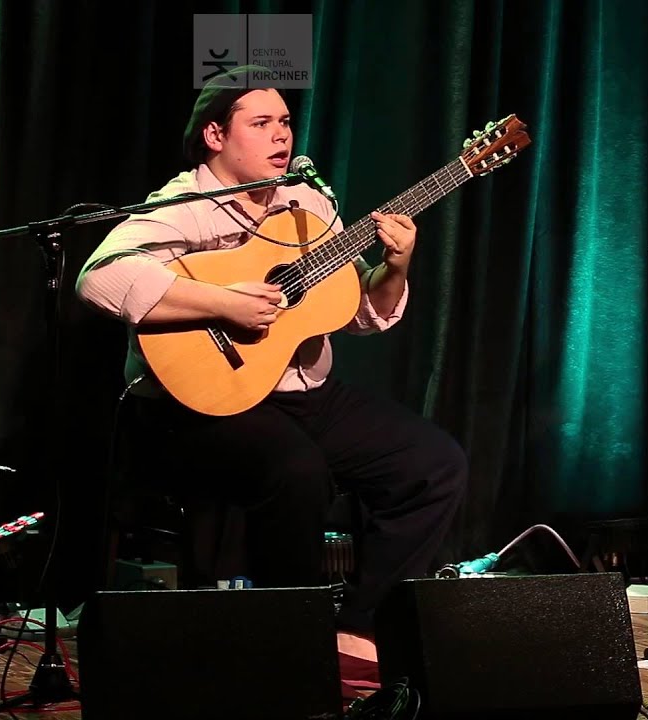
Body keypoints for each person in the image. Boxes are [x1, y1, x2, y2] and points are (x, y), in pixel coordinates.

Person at [75, 67, 467, 643]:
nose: (282, 136)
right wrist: (223, 303)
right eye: (261, 123)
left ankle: (359, 627)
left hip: (301, 392)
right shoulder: (185, 204)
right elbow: (99, 279)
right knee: (296, 471)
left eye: (284, 122)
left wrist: (396, 265)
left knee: (434, 464)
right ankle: (294, 638)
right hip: (201, 404)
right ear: (216, 136)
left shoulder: (308, 203)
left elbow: (357, 312)